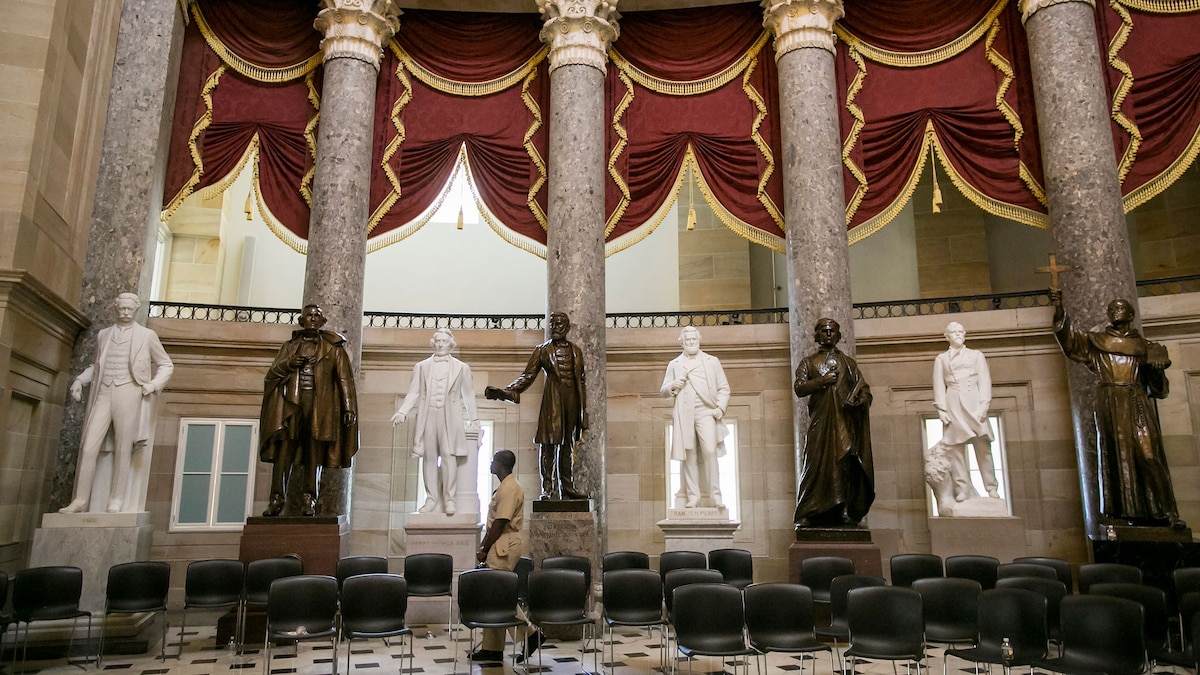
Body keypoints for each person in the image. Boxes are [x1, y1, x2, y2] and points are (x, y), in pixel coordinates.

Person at [1051, 290, 1184, 527]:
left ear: (1131, 314)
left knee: (1148, 453)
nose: (1114, 311)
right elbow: (1070, 341)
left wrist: (1155, 370)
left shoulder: (1147, 346)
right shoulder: (1097, 342)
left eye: (1119, 307)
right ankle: (1125, 514)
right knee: (1116, 456)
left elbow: (1160, 391)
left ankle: (1166, 512)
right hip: (1109, 401)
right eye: (1111, 308)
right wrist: (1059, 308)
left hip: (1135, 400)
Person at [59, 293, 174, 514]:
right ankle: (80, 500)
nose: (125, 313)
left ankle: (116, 499)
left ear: (136, 309)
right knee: (89, 446)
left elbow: (166, 364)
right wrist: (80, 380)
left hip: (129, 391)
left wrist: (151, 385)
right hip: (104, 391)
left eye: (129, 310)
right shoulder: (104, 335)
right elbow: (98, 366)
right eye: (122, 309)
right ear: (116, 308)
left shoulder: (146, 335)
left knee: (123, 447)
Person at [259, 304, 358, 517]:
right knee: (285, 452)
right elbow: (271, 375)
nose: (312, 319)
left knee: (314, 453)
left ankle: (308, 499)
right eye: (309, 316)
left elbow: (344, 379)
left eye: (316, 316)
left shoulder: (333, 348)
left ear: (322, 322)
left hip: (320, 405)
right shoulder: (289, 347)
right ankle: (277, 499)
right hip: (290, 405)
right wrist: (289, 363)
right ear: (301, 320)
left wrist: (348, 407)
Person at [485, 312, 587, 500]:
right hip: (552, 402)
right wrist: (506, 391)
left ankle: (567, 487)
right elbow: (528, 376)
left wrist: (583, 412)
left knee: (567, 447)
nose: (555, 327)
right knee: (548, 445)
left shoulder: (576, 351)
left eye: (559, 324)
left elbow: (581, 381)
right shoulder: (542, 350)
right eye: (552, 324)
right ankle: (547, 488)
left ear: (567, 327)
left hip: (572, 403)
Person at [793, 318, 874, 529]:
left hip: (844, 421)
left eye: (832, 331)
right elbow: (800, 388)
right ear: (817, 336)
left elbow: (864, 389)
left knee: (844, 463)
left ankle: (844, 509)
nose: (828, 335)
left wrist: (861, 399)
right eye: (824, 331)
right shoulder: (808, 362)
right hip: (821, 422)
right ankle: (808, 511)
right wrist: (821, 381)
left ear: (838, 336)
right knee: (814, 464)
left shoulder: (849, 364)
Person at [392, 328, 480, 515]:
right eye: (438, 341)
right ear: (433, 343)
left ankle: (450, 499)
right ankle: (431, 499)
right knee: (429, 458)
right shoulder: (421, 366)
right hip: (428, 414)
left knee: (449, 456)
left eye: (444, 341)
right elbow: (414, 392)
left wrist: (475, 418)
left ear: (451, 344)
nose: (440, 344)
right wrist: (402, 412)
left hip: (450, 416)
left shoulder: (461, 368)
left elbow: (469, 394)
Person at [472, 449, 542, 663]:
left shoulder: (510, 488)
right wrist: (485, 545)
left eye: (493, 461)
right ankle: (492, 648)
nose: (490, 464)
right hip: (501, 541)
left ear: (501, 464)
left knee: (499, 593)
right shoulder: (505, 486)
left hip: (504, 543)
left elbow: (501, 522)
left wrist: (485, 547)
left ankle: (531, 634)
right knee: (494, 595)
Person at [661, 326, 730, 508]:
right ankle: (693, 496)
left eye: (694, 340)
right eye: (688, 340)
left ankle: (716, 495)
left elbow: (724, 388)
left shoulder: (711, 361)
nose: (691, 343)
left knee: (709, 451)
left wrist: (720, 408)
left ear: (699, 340)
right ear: (682, 342)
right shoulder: (675, 364)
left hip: (705, 411)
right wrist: (673, 385)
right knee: (688, 453)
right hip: (684, 413)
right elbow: (664, 390)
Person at [932, 321, 999, 502]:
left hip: (974, 401)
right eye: (954, 332)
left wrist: (984, 406)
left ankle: (991, 487)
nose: (959, 334)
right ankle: (962, 488)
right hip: (953, 402)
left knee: (983, 446)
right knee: (955, 449)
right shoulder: (942, 359)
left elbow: (985, 381)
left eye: (961, 331)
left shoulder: (976, 356)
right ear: (947, 337)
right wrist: (942, 410)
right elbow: (938, 385)